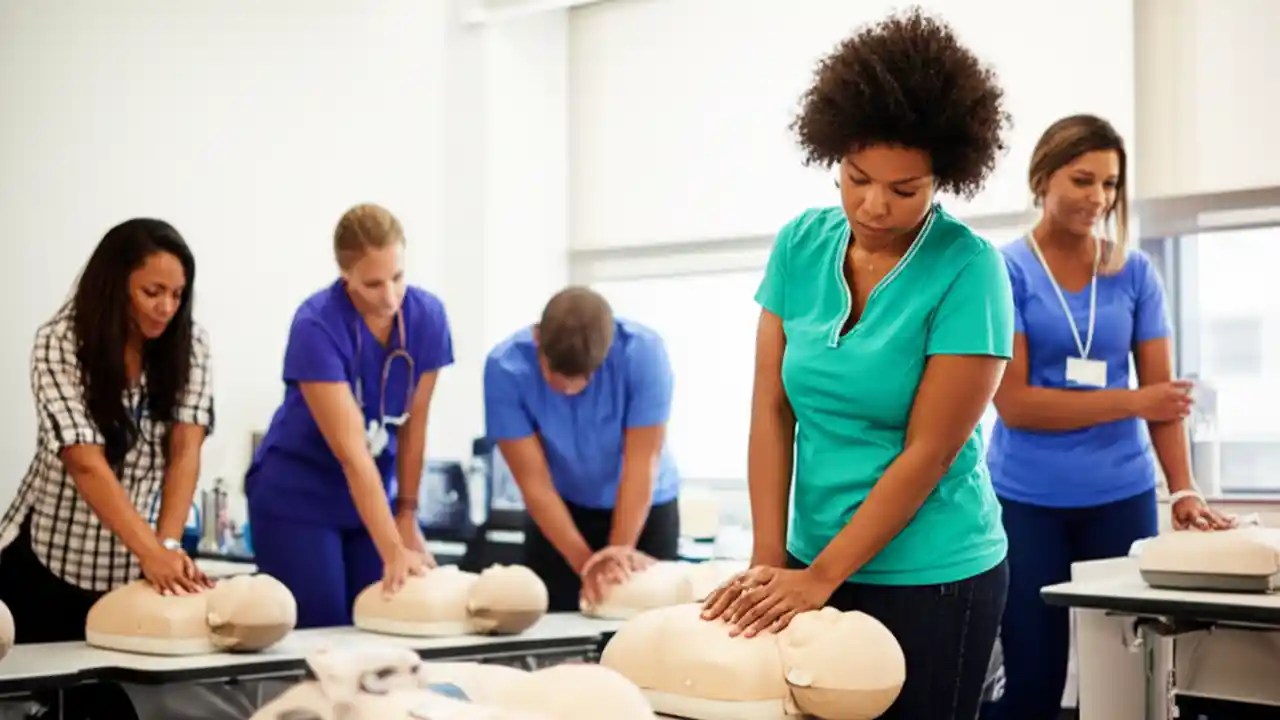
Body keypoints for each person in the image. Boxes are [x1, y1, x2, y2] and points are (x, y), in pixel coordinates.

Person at [700, 9, 1015, 719]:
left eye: (905, 190)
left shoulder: (969, 271)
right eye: (857, 178)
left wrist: (821, 577)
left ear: (944, 178)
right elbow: (771, 409)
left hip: (933, 573)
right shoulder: (799, 245)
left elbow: (929, 453)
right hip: (809, 562)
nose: (874, 205)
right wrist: (770, 556)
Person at [983, 114, 1235, 720]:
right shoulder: (1006, 269)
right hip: (1026, 500)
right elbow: (1016, 404)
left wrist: (1183, 488)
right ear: (1042, 179)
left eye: (1111, 184)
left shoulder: (1135, 273)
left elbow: (1165, 399)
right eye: (1082, 180)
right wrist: (1133, 401)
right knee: (1034, 679)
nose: (1099, 198)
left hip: (1118, 495)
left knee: (1126, 680)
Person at [0, 218, 215, 644]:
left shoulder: (191, 347)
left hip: (125, 569)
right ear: (115, 285)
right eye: (152, 293)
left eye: (177, 294)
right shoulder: (60, 342)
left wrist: (168, 545)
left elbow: (185, 450)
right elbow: (83, 460)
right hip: (46, 558)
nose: (166, 308)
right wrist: (152, 552)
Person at [246, 203, 454, 629]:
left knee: (385, 621)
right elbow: (353, 455)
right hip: (299, 495)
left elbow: (415, 427)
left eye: (397, 277)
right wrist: (393, 549)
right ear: (346, 275)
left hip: (372, 496)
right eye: (373, 283)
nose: (391, 297)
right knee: (323, 630)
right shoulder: (316, 326)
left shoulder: (427, 318)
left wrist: (407, 516)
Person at [483, 287, 679, 612]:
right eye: (556, 375)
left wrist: (617, 557)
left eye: (583, 378)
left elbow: (642, 462)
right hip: (561, 510)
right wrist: (588, 567)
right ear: (537, 340)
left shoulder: (644, 354)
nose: (570, 388)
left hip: (644, 509)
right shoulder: (505, 369)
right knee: (557, 626)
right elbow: (535, 484)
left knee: (643, 630)